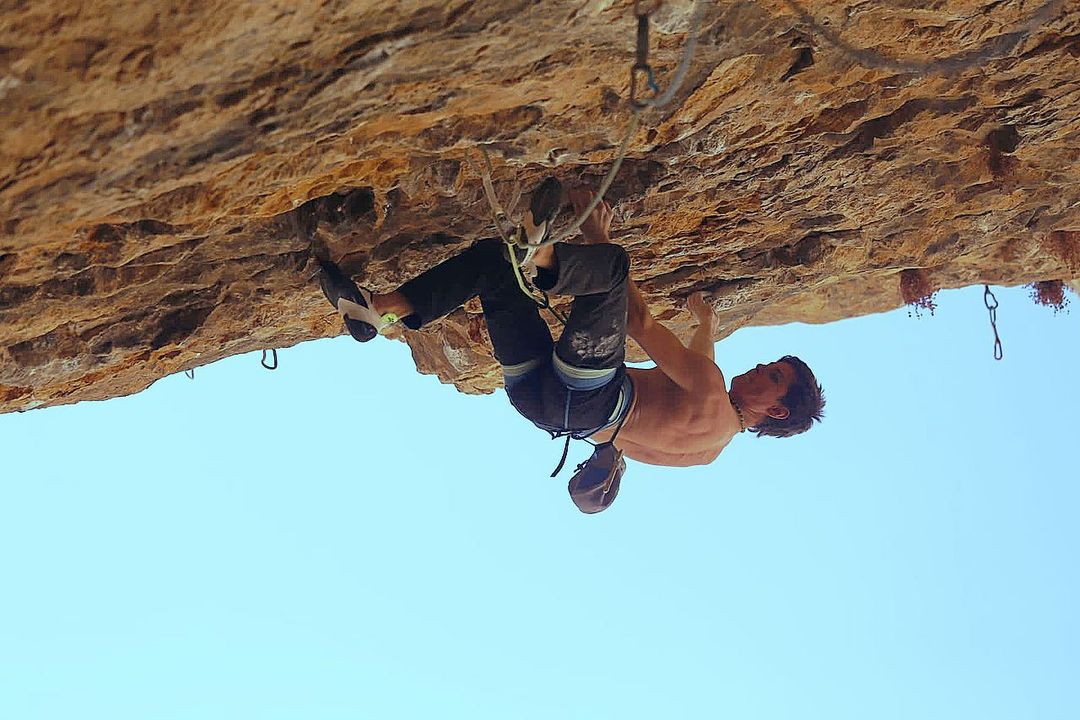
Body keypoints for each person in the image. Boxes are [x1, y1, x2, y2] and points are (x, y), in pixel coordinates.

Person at [316, 180, 825, 468]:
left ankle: (543, 254)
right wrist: (705, 323)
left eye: (773, 376)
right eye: (772, 363)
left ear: (777, 412)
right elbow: (693, 374)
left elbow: (642, 323)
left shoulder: (712, 392)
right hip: (544, 407)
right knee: (496, 267)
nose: (761, 366)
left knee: (615, 269)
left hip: (591, 391)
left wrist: (599, 236)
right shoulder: (705, 452)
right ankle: (378, 309)